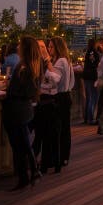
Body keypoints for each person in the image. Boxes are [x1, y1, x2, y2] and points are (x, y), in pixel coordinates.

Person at [3, 36, 41, 190]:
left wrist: (10, 89)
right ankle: (30, 173)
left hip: (16, 110)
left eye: (20, 45)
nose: (17, 47)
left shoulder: (24, 67)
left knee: (19, 144)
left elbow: (25, 90)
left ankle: (29, 173)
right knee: (23, 143)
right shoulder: (32, 66)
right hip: (24, 110)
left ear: (24, 48)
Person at [32, 39, 62, 174]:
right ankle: (36, 163)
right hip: (41, 103)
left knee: (42, 135)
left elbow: (55, 80)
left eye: (44, 47)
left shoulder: (48, 63)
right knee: (40, 135)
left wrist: (47, 61)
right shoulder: (35, 64)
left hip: (48, 103)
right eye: (41, 47)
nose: (44, 49)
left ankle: (42, 164)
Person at [49, 37, 74, 168]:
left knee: (60, 129)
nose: (49, 49)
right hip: (66, 96)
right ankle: (63, 157)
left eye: (51, 47)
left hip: (60, 97)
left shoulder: (60, 61)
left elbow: (54, 79)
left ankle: (59, 157)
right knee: (64, 128)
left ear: (58, 48)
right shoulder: (66, 61)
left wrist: (47, 64)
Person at [83, 39, 100, 124]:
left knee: (88, 97)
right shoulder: (93, 52)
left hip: (86, 76)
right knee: (93, 97)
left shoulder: (88, 52)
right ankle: (91, 118)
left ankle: (86, 118)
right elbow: (93, 63)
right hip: (92, 77)